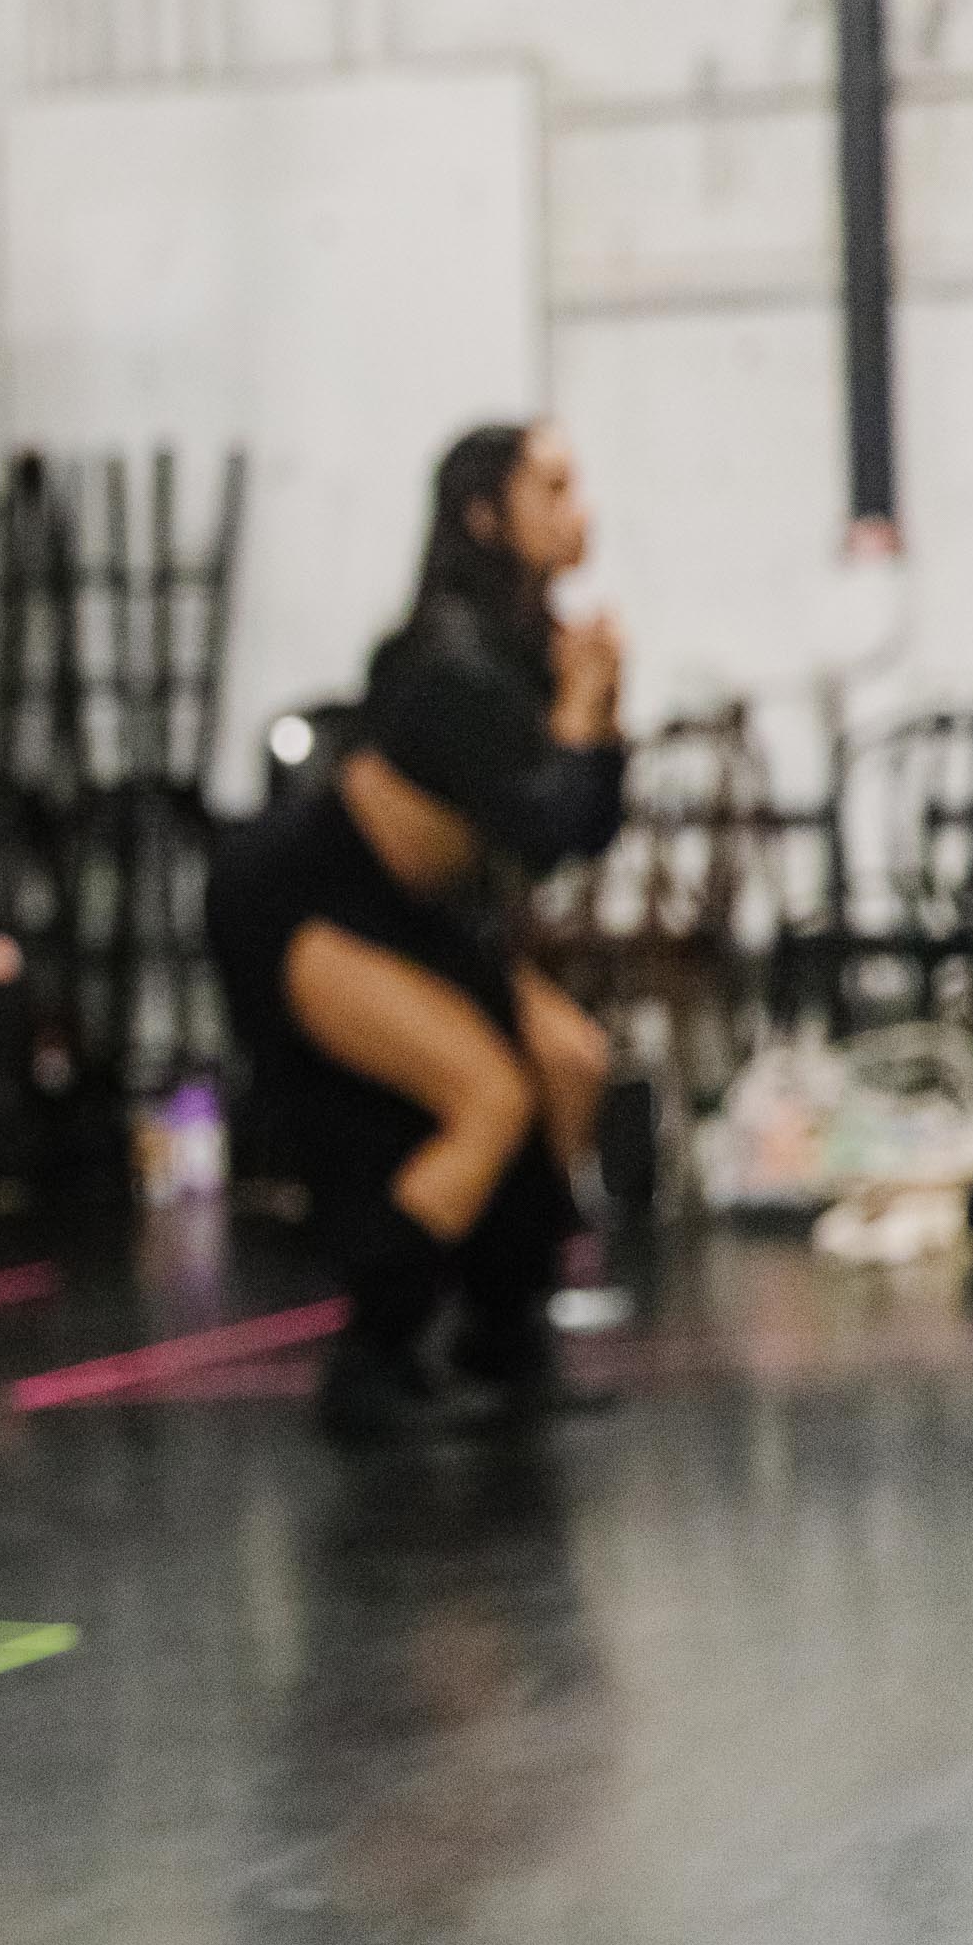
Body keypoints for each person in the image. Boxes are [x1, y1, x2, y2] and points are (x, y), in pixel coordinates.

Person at [207, 419, 631, 1447]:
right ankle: (370, 1362)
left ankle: (502, 1333)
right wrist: (585, 712)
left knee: (569, 1062)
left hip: (415, 909)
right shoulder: (447, 654)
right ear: (485, 515)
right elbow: (542, 830)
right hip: (306, 895)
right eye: (555, 490)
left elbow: (585, 821)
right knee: (484, 1094)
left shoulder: (527, 642)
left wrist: (595, 715)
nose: (581, 511)